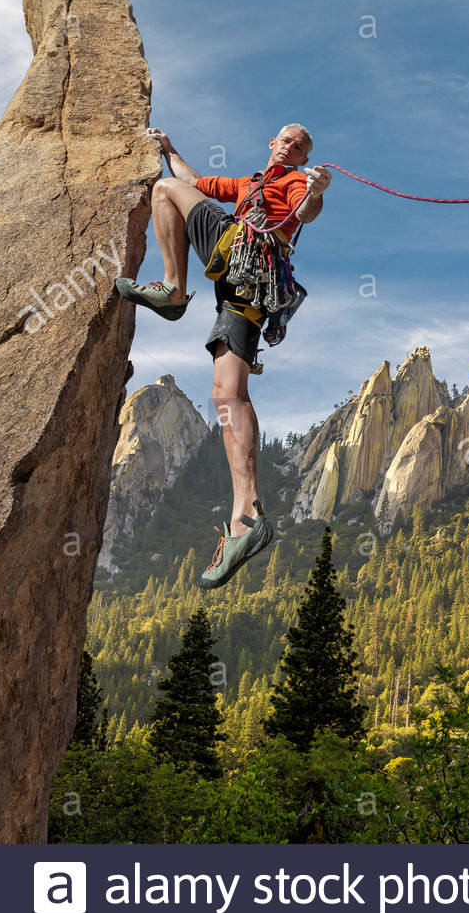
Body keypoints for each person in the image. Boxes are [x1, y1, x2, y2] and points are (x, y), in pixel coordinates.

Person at [116, 124, 332, 589]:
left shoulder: (295, 181)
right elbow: (197, 182)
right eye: (287, 140)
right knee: (226, 392)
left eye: (301, 146)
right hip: (242, 287)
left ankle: (174, 288)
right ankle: (245, 518)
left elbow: (307, 210)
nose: (293, 147)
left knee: (164, 190)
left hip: (247, 257)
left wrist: (316, 190)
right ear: (271, 143)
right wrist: (171, 149)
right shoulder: (248, 184)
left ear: (300, 157)